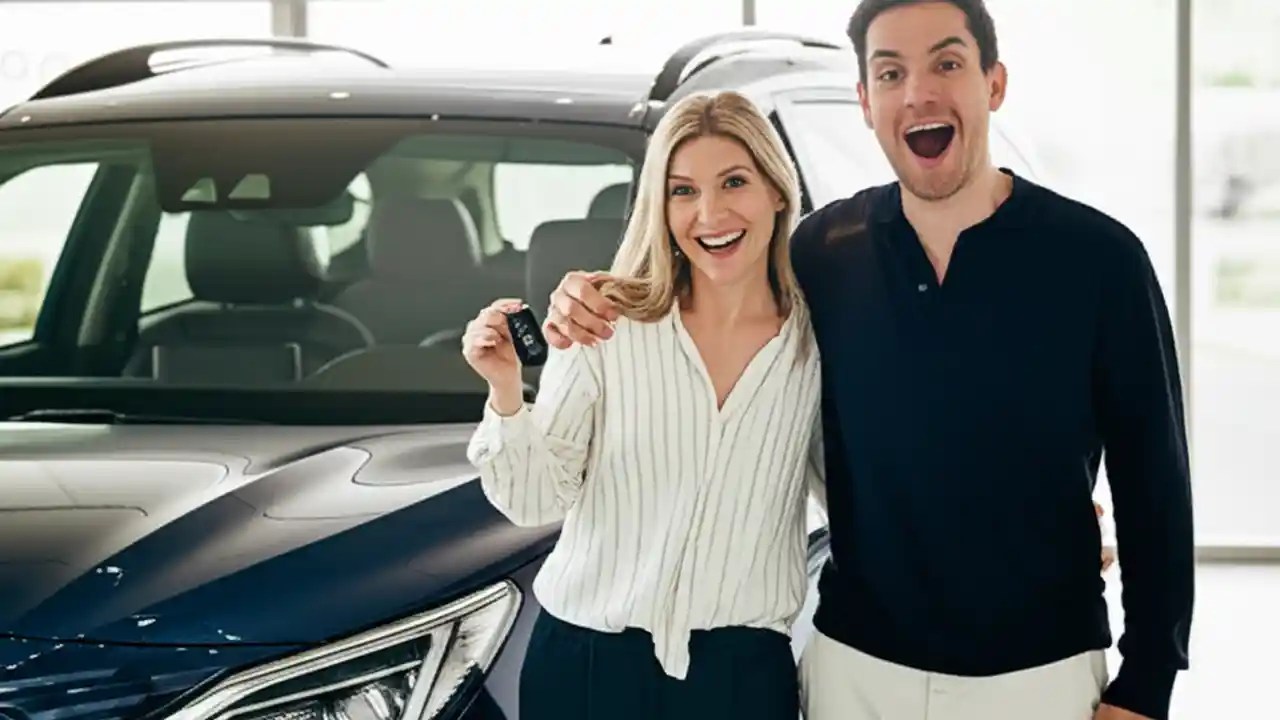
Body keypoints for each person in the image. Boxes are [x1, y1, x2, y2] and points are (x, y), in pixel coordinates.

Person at [538, 1, 1194, 719]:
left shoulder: (1099, 261)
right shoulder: (821, 255)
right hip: (856, 675)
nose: (918, 93)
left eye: (947, 63)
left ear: (994, 84)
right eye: (890, 73)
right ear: (866, 102)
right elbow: (701, 302)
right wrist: (585, 296)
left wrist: (1148, 682)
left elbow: (1155, 483)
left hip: (1041, 675)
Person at [461, 89, 825, 719]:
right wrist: (504, 391)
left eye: (734, 181)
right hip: (588, 668)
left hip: (742, 675)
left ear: (776, 190)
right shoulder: (606, 324)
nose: (709, 214)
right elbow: (535, 501)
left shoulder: (818, 341)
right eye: (683, 190)